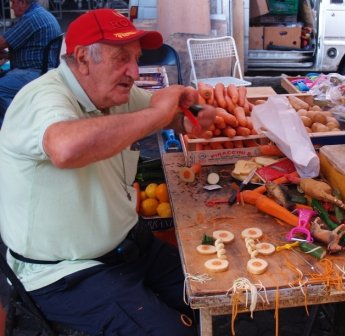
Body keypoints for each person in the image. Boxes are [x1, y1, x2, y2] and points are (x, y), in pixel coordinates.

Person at [0, 8, 216, 336]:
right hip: (67, 273)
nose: (134, 70)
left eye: (137, 58)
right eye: (121, 58)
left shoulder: (110, 94)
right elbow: (66, 147)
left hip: (128, 244)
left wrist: (194, 112)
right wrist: (159, 114)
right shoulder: (43, 96)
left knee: (215, 297)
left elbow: (169, 112)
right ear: (84, 58)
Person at [0, 0, 62, 126]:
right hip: (43, 68)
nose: (11, 6)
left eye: (13, 2)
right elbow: (33, 48)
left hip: (35, 72)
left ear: (22, 2)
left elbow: (2, 42)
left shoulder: (31, 18)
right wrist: (7, 55)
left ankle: (13, 127)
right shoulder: (41, 14)